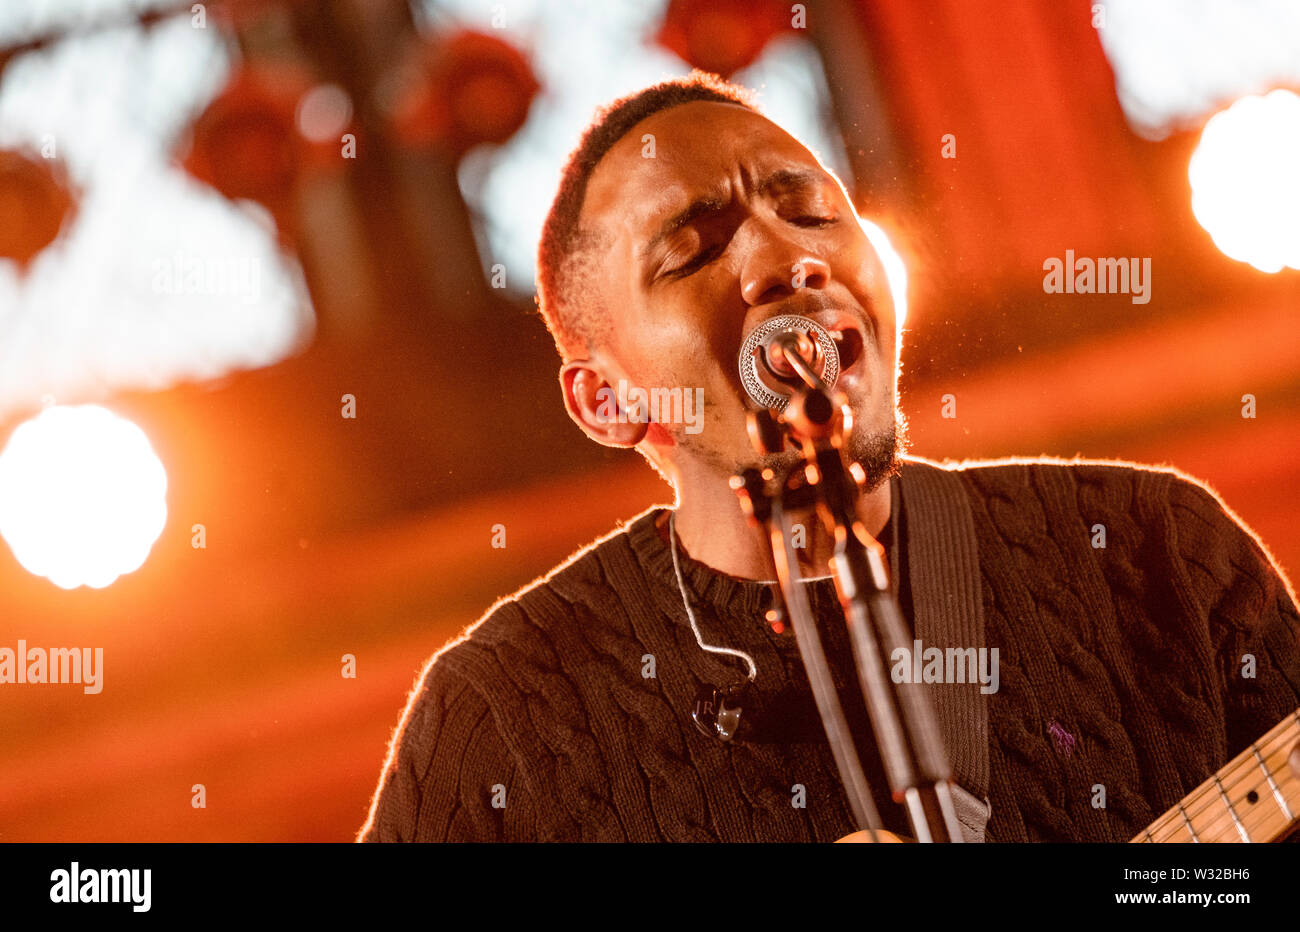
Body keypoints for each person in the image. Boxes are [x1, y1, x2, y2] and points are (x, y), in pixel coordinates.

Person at [358, 71, 1300, 843]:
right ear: (607, 400)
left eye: (812, 213)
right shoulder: (497, 722)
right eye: (692, 251)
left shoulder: (1154, 551)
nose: (787, 258)